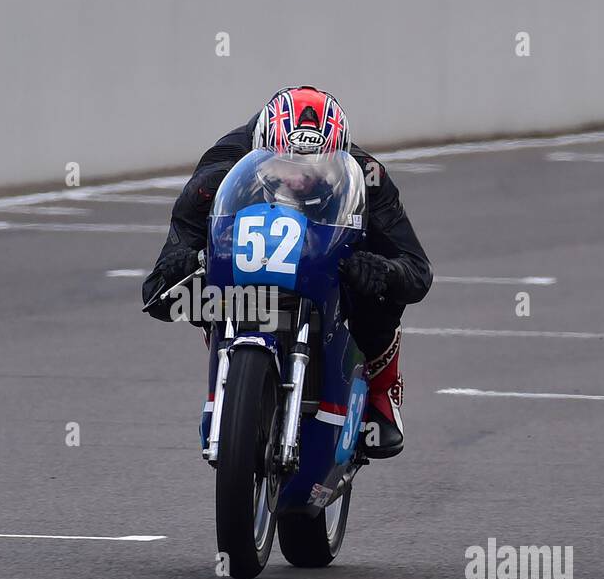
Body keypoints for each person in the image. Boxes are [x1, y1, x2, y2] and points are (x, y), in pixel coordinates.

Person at [142, 86, 431, 458]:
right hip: (249, 278)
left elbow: (417, 270)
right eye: (287, 166)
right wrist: (182, 258)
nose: (297, 180)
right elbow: (159, 287)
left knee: (379, 291)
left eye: (313, 170)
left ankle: (381, 388)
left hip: (328, 266)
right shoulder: (221, 167)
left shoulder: (368, 175)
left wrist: (383, 270)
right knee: (196, 286)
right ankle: (226, 390)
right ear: (260, 151)